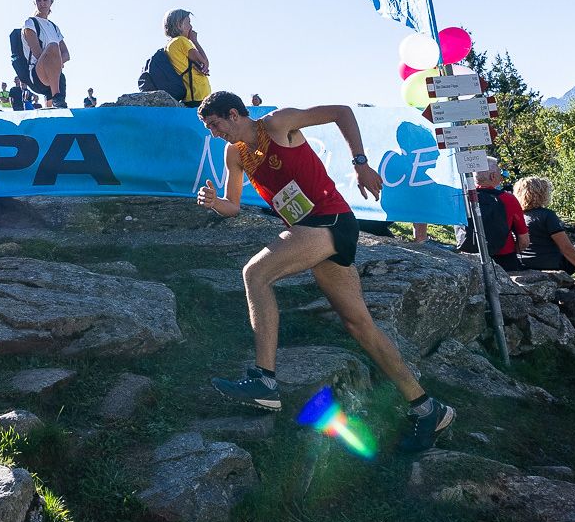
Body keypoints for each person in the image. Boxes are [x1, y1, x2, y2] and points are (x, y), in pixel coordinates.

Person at [193, 91, 453, 451]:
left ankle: (264, 381)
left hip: (331, 221)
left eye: (214, 124)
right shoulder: (233, 154)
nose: (213, 133)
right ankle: (427, 408)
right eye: (208, 128)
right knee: (359, 325)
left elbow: (342, 112)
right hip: (311, 230)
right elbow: (234, 205)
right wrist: (215, 203)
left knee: (255, 274)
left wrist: (360, 163)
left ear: (234, 114)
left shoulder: (277, 124)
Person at [512, 176, 575, 273]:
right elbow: (566, 248)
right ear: (542, 194)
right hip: (552, 265)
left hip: (524, 264)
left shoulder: (517, 216)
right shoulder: (546, 215)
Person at [460, 168, 529, 270]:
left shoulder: (462, 198)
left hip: (469, 259)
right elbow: (524, 241)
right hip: (504, 260)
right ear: (492, 176)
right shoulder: (509, 199)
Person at [23, 0, 69, 105]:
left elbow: (66, 54)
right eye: (39, 0)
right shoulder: (30, 23)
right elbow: (38, 53)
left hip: (56, 76)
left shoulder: (54, 27)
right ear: (35, 2)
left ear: (51, 1)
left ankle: (54, 102)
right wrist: (53, 61)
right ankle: (56, 97)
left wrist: (56, 63)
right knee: (53, 46)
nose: (42, 3)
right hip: (37, 74)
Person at [163, 9, 213, 108]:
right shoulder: (181, 41)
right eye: (188, 22)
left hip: (191, 95)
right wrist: (195, 40)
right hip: (197, 95)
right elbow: (204, 61)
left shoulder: (170, 44)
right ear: (179, 24)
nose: (191, 26)